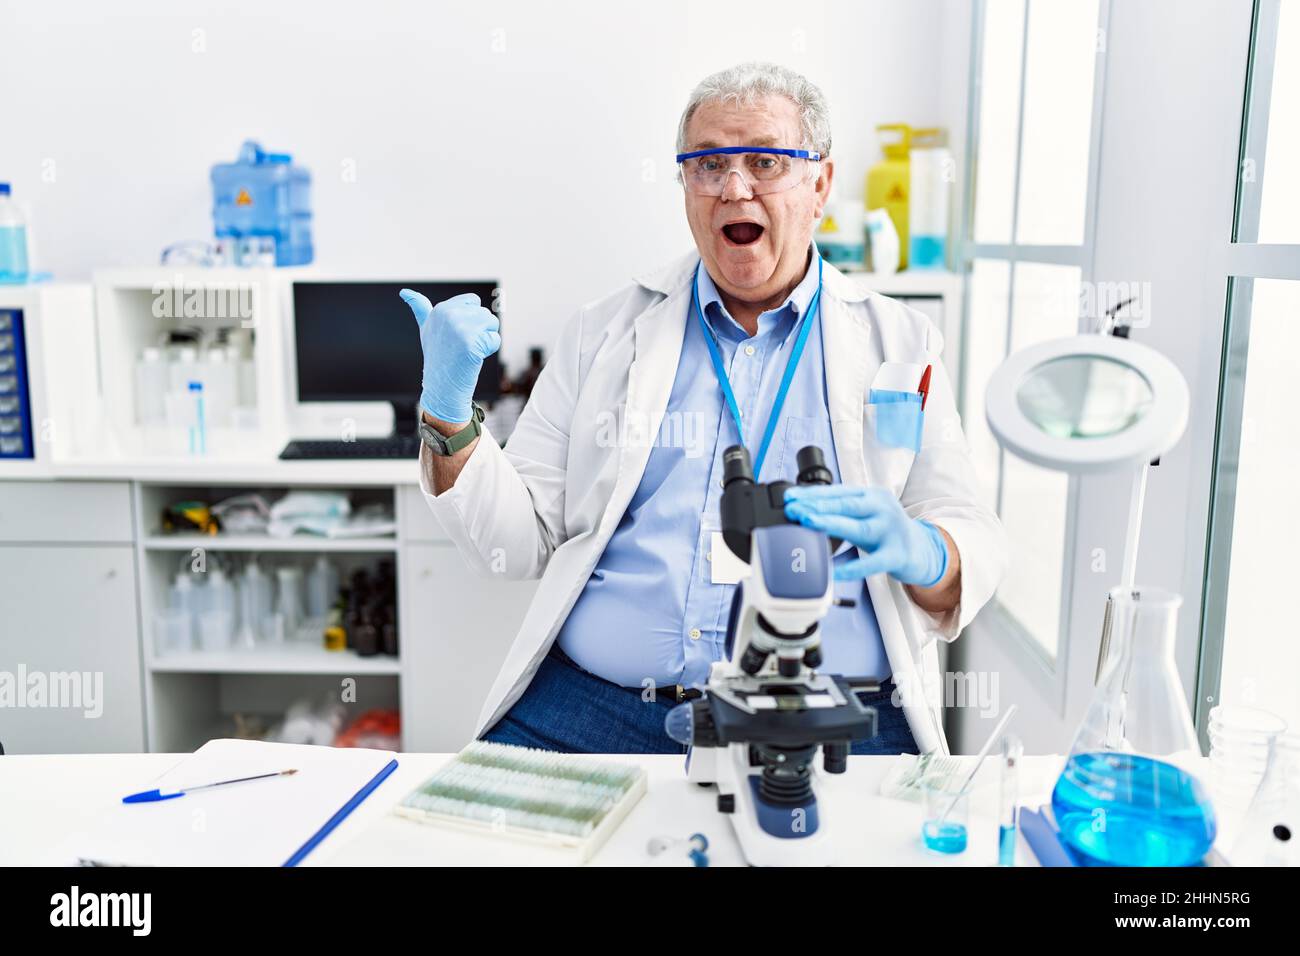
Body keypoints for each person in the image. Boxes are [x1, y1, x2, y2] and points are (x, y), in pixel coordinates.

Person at [402, 62, 1008, 756]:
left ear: (821, 186)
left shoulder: (901, 340)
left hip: (831, 713)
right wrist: (448, 413)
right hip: (597, 708)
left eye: (765, 162)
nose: (733, 187)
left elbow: (969, 532)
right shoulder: (600, 334)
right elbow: (516, 544)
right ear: (684, 184)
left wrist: (926, 552)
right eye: (708, 165)